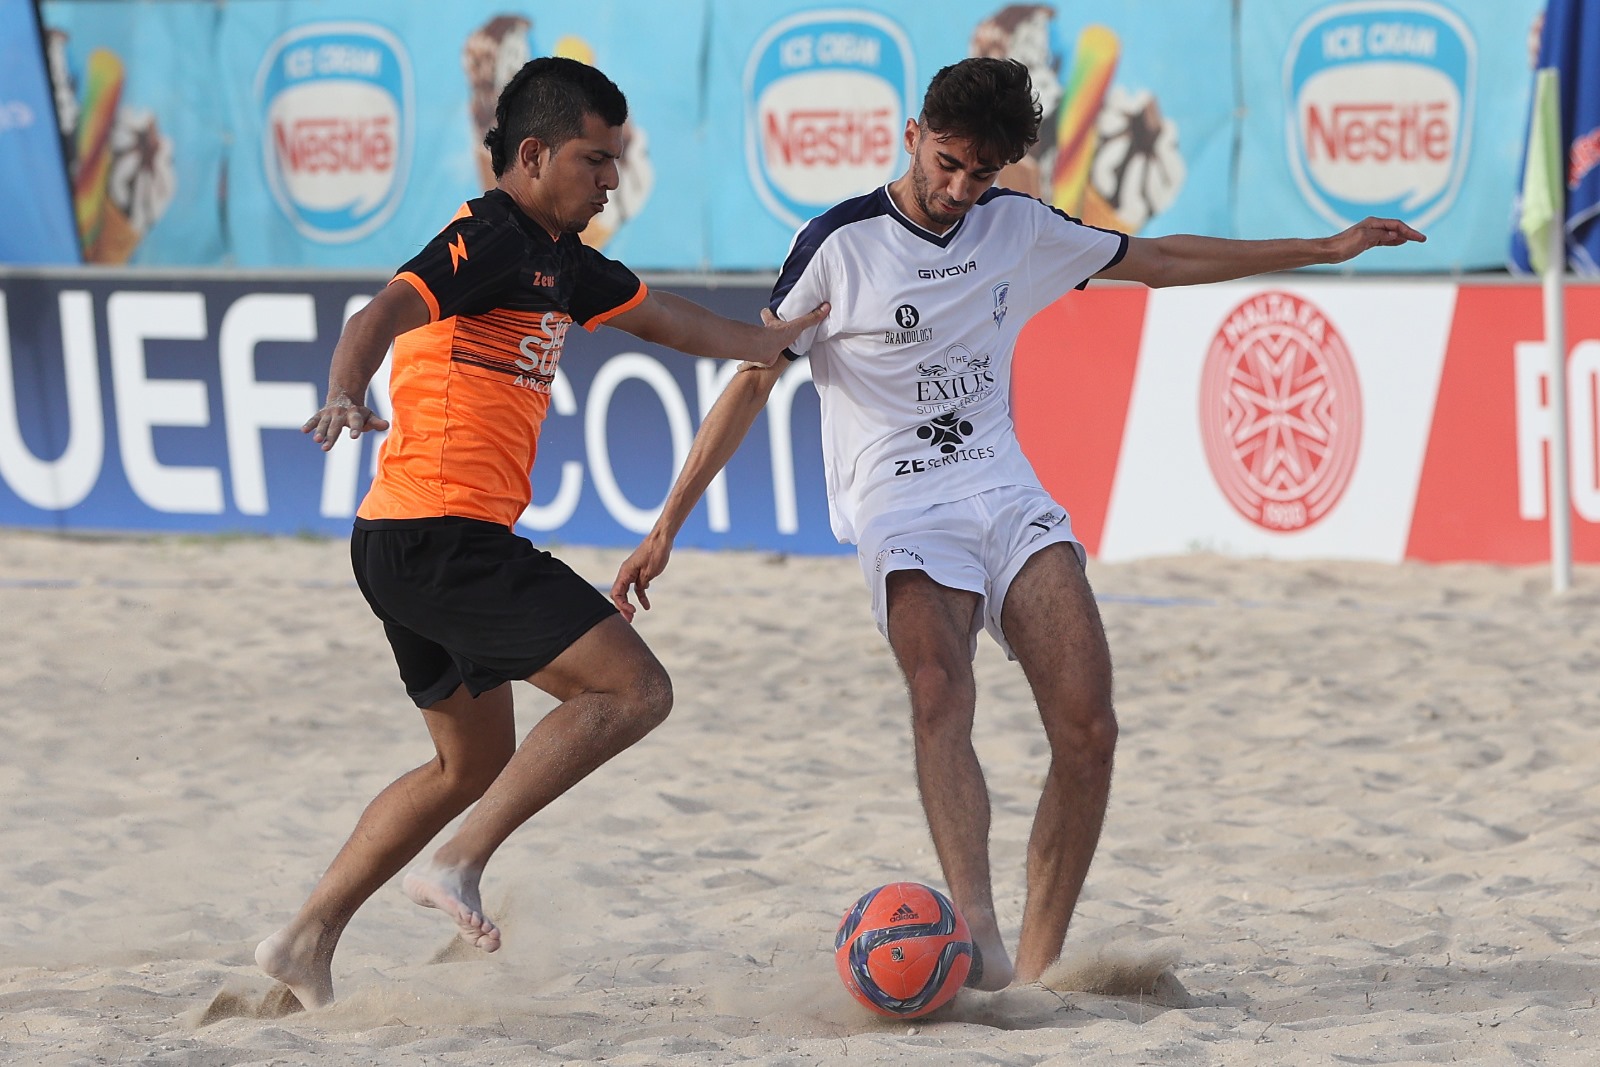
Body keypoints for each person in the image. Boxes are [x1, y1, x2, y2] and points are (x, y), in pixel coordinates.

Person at [610, 56, 1423, 991]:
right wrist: (667, 522)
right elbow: (754, 376)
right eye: (948, 163)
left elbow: (1157, 262)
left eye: (981, 174)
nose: (960, 189)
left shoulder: (1018, 227)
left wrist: (1322, 250)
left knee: (1090, 726)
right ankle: (980, 938)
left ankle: (1032, 972)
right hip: (901, 506)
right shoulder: (839, 245)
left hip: (1005, 493)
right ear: (912, 135)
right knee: (938, 691)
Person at [255, 56, 826, 1011]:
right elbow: (378, 312)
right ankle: (461, 861)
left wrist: (763, 341)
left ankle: (305, 937)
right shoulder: (484, 240)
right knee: (633, 687)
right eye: (596, 160)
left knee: (467, 762)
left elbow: (668, 320)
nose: (611, 180)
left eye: (616, 162)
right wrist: (345, 391)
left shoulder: (564, 260)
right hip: (442, 535)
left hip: (402, 540)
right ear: (533, 153)